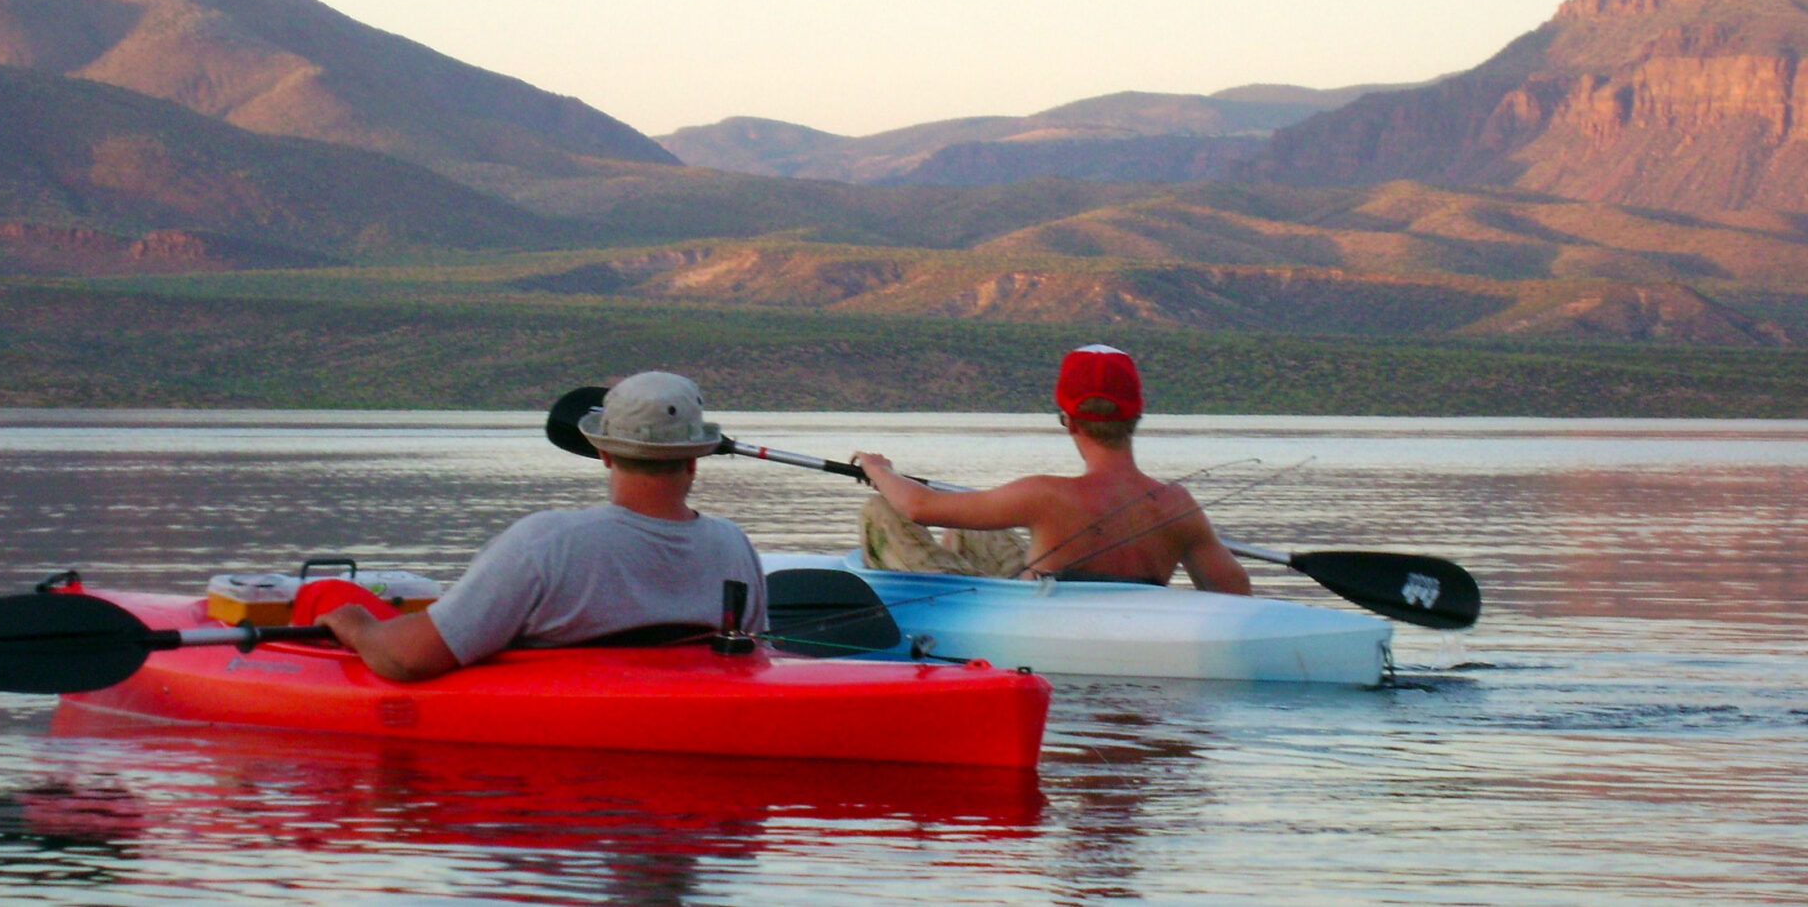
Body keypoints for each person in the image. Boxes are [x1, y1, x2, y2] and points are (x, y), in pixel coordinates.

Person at [318, 371, 766, 680]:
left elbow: (408, 662)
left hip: (566, 744)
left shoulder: (546, 543)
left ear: (604, 453)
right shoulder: (734, 545)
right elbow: (752, 655)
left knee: (329, 597)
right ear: (694, 458)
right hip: (679, 726)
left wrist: (359, 627)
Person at [850, 345, 1251, 595]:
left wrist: (879, 470)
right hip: (1116, 613)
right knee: (966, 526)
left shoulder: (1045, 495)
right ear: (1137, 417)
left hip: (1035, 614)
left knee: (879, 510)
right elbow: (1233, 590)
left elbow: (919, 507)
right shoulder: (1178, 506)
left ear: (1069, 421)